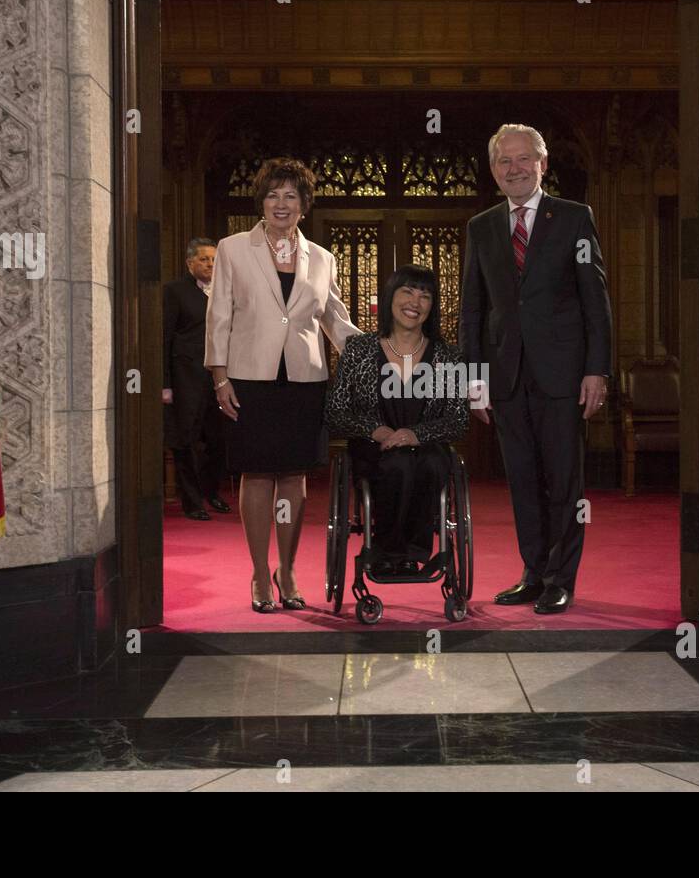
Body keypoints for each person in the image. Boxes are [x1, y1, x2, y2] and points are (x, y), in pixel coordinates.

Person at [458, 124, 613, 614]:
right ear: (494, 170)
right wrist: (473, 379)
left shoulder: (573, 219)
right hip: (505, 376)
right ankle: (532, 572)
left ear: (543, 165)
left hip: (564, 375)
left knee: (563, 479)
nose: (515, 169)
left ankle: (560, 578)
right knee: (522, 479)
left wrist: (597, 370)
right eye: (505, 161)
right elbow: (472, 311)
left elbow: (596, 300)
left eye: (525, 160)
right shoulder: (481, 227)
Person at [204, 158, 361, 613]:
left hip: (304, 380)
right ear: (262, 201)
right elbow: (220, 316)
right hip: (249, 378)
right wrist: (219, 376)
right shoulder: (233, 249)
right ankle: (259, 572)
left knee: (294, 476)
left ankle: (287, 570)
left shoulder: (323, 258)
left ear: (304, 205)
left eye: (291, 196)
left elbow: (334, 318)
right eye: (273, 194)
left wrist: (378, 349)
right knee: (256, 475)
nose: (281, 203)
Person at [326, 266, 469, 575]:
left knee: (428, 464)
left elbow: (458, 420)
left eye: (425, 296)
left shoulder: (447, 356)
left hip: (427, 447)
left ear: (432, 307)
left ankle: (413, 552)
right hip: (373, 449)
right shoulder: (359, 350)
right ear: (391, 297)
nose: (415, 302)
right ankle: (388, 551)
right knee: (396, 465)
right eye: (407, 291)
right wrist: (374, 430)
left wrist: (414, 434)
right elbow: (336, 413)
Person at [163, 238, 231, 520]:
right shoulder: (174, 292)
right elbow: (164, 338)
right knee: (187, 440)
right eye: (204, 259)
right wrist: (164, 384)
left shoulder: (227, 292)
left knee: (219, 439)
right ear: (190, 263)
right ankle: (192, 502)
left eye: (214, 260)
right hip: (186, 378)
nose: (210, 264)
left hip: (221, 377)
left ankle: (212, 492)